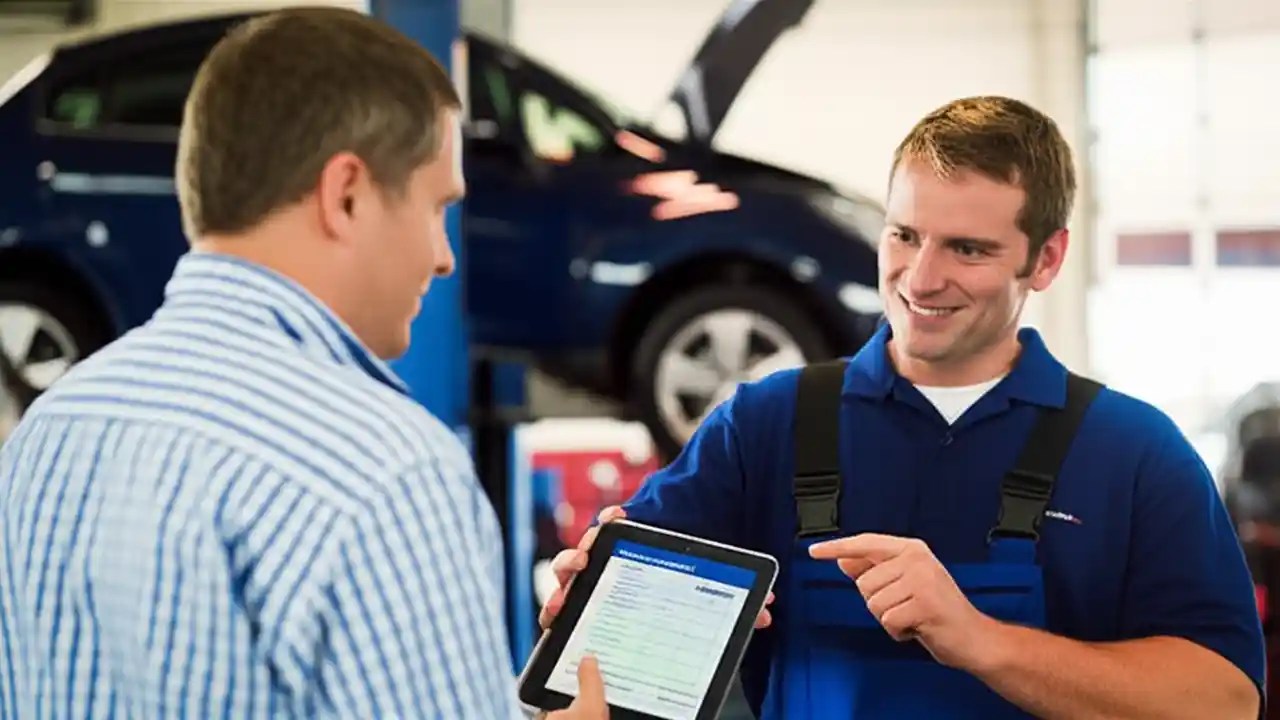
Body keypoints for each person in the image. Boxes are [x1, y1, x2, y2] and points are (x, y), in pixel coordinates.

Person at [542, 96, 1265, 719]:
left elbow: (1225, 702)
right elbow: (599, 672)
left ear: (1046, 259)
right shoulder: (762, 427)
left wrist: (981, 641)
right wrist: (591, 615)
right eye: (904, 236)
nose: (920, 279)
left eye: (967, 250)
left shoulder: (1134, 451)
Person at [0, 8, 605, 719]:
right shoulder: (388, 472)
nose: (443, 256)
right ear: (346, 195)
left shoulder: (48, 432)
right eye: (436, 208)